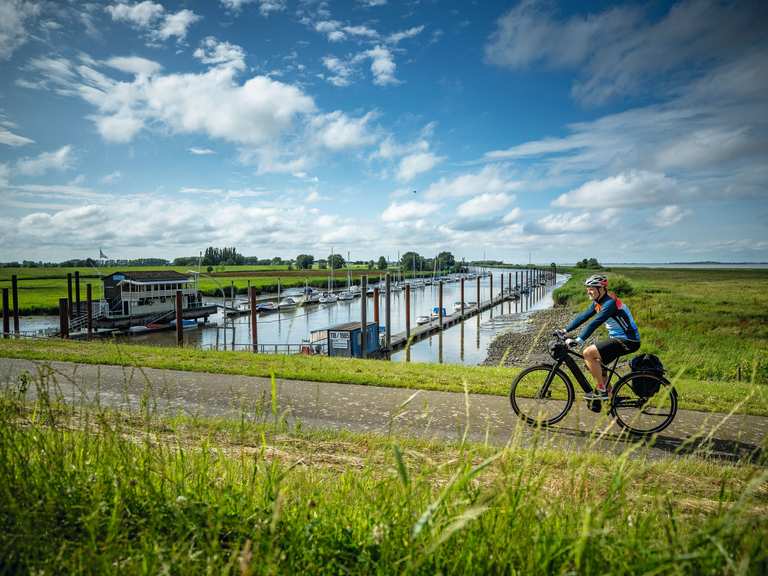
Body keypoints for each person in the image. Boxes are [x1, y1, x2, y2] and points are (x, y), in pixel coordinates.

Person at [562, 274, 640, 400]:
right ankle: (610, 394)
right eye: (588, 288)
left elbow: (595, 322)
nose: (589, 291)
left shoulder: (609, 303)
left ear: (602, 289)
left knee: (588, 353)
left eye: (592, 288)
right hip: (618, 338)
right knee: (592, 365)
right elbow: (583, 316)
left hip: (628, 340)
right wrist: (564, 330)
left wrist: (578, 340)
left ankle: (601, 390)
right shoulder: (599, 301)